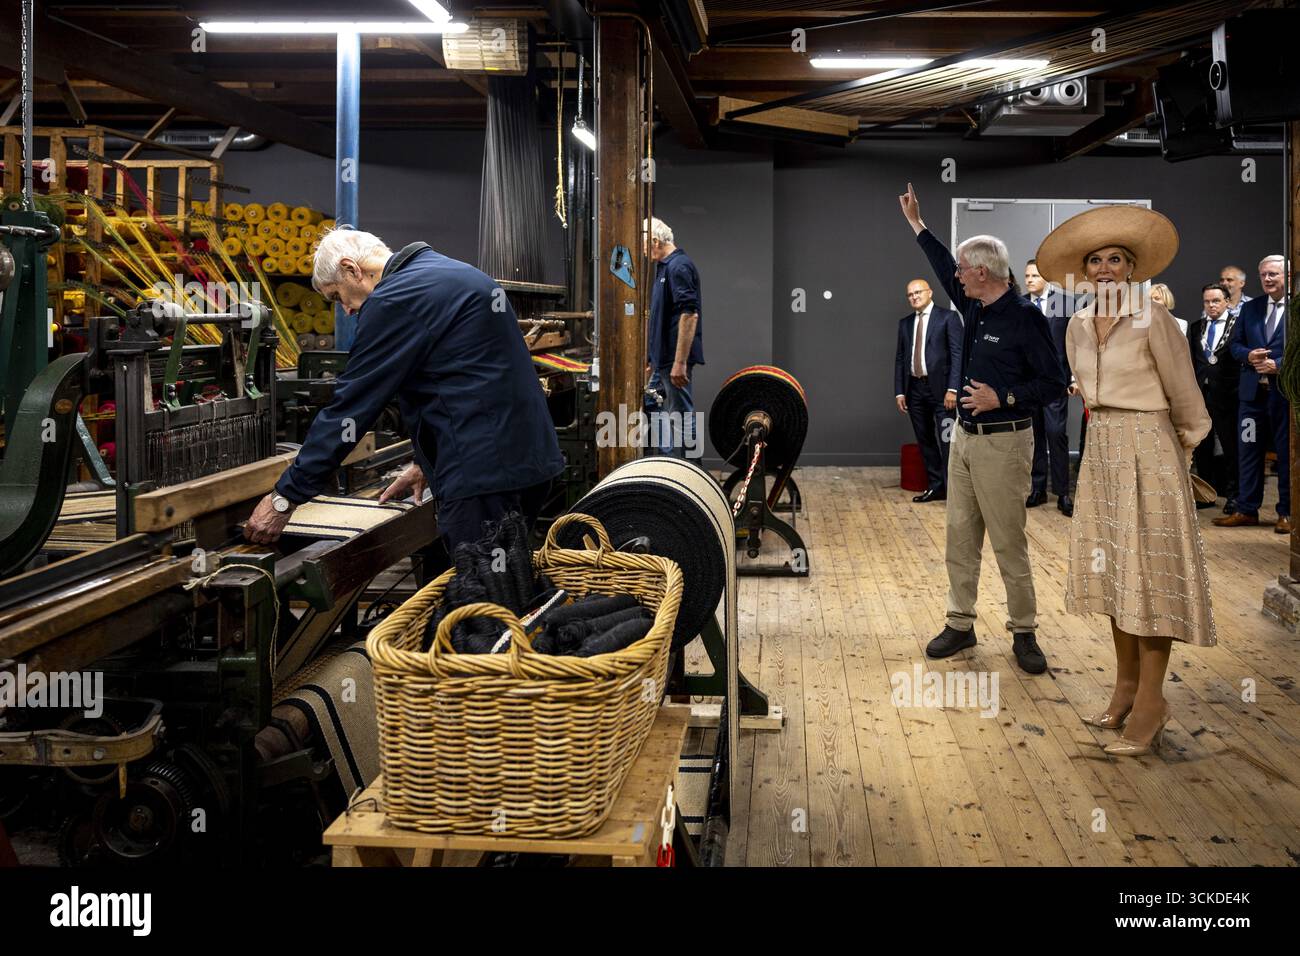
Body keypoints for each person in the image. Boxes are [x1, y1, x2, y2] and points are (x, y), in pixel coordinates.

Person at [243, 229, 565, 551]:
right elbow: (468, 381)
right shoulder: (456, 272)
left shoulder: (394, 299)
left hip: (484, 480)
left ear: (351, 269)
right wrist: (426, 464)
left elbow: (350, 409)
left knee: (481, 594)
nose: (346, 310)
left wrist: (285, 498)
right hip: (530, 464)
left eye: (336, 296)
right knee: (514, 583)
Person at [1037, 205, 1213, 757]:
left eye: (1117, 259)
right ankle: (1126, 688)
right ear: (1085, 271)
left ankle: (1154, 701)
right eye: (1096, 260)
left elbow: (1186, 396)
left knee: (1151, 576)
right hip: (1103, 450)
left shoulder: (1152, 318)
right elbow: (1086, 396)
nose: (1106, 267)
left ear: (1132, 269)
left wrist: (1178, 455)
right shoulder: (1077, 324)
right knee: (1116, 572)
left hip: (1152, 447)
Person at [898, 183, 1065, 675]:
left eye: (964, 270)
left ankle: (1025, 631)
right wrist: (917, 224)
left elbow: (1054, 384)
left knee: (1009, 541)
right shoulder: (973, 305)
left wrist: (1005, 398)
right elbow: (941, 262)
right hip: (966, 443)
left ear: (985, 273)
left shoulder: (1024, 319)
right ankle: (960, 622)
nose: (956, 276)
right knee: (959, 537)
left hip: (1006, 442)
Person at [1214, 254, 1291, 534]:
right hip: (1251, 398)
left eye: (1274, 274)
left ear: (1288, 277)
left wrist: (1278, 365)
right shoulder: (1252, 308)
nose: (1268, 279)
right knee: (1248, 451)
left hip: (1284, 397)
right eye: (1264, 275)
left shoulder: (1296, 307)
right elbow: (1235, 347)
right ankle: (1246, 509)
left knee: (1285, 453)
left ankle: (1288, 513)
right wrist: (1250, 355)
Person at [893, 278, 962, 502]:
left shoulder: (948, 318)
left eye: (918, 292)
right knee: (925, 440)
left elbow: (957, 355)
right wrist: (900, 392)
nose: (914, 296)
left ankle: (955, 492)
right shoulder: (905, 324)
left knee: (947, 441)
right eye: (910, 294)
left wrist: (953, 389)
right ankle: (936, 486)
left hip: (943, 392)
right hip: (915, 391)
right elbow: (901, 359)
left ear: (930, 292)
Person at [645, 217, 705, 458]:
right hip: (662, 360)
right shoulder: (664, 267)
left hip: (674, 359)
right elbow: (661, 317)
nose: (642, 251)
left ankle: (694, 469)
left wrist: (680, 362)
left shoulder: (679, 266)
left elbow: (690, 315)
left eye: (644, 244)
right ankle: (666, 460)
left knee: (682, 413)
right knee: (652, 404)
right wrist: (651, 358)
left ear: (655, 241)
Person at [1024, 258, 1075, 516]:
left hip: (1055, 383)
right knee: (1034, 437)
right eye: (1026, 276)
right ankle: (1038, 489)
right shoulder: (1020, 304)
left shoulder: (1065, 304)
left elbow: (1074, 344)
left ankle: (1063, 494)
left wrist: (1074, 378)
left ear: (1045, 276)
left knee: (1056, 434)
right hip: (1029, 385)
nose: (1029, 280)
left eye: (1033, 275)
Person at [1188, 283, 1241, 513]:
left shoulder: (1238, 326)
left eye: (1216, 301)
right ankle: (1205, 494)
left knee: (1231, 447)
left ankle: (1234, 496)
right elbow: (1191, 361)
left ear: (1228, 301)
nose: (1211, 305)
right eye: (1207, 302)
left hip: (1229, 394)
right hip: (1201, 394)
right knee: (1203, 446)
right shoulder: (1196, 326)